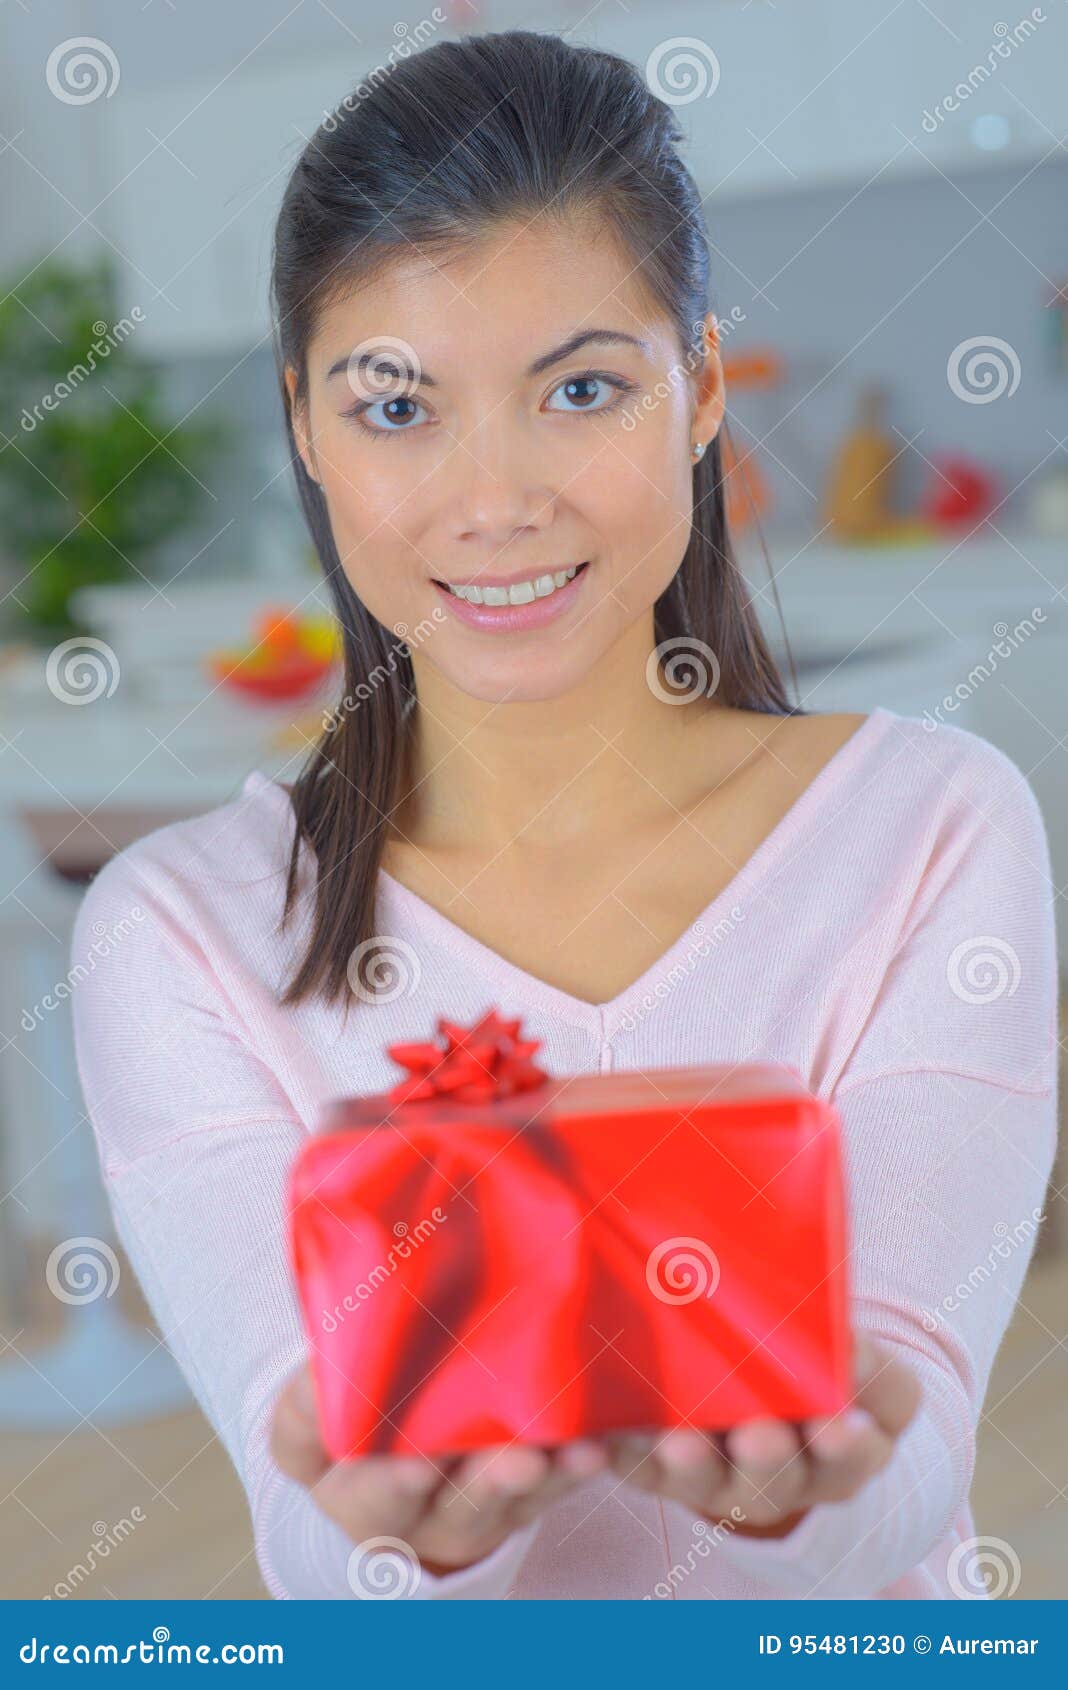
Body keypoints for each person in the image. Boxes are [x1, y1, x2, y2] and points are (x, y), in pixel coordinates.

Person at [70, 30, 1058, 1600]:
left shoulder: (936, 827)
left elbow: (915, 1403)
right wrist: (406, 1536)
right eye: (398, 408)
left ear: (701, 388)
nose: (497, 497)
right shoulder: (178, 933)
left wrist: (801, 1500)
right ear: (308, 430)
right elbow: (311, 1517)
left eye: (579, 388)